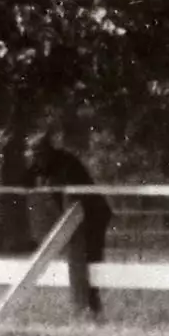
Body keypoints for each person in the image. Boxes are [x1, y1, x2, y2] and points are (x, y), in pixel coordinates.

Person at [22, 127, 110, 318]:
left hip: (92, 214)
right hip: (73, 217)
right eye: (32, 155)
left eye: (38, 155)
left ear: (47, 152)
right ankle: (86, 307)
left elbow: (74, 196)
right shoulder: (42, 165)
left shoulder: (65, 164)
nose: (35, 160)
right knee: (78, 259)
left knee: (89, 259)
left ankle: (91, 307)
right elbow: (25, 181)